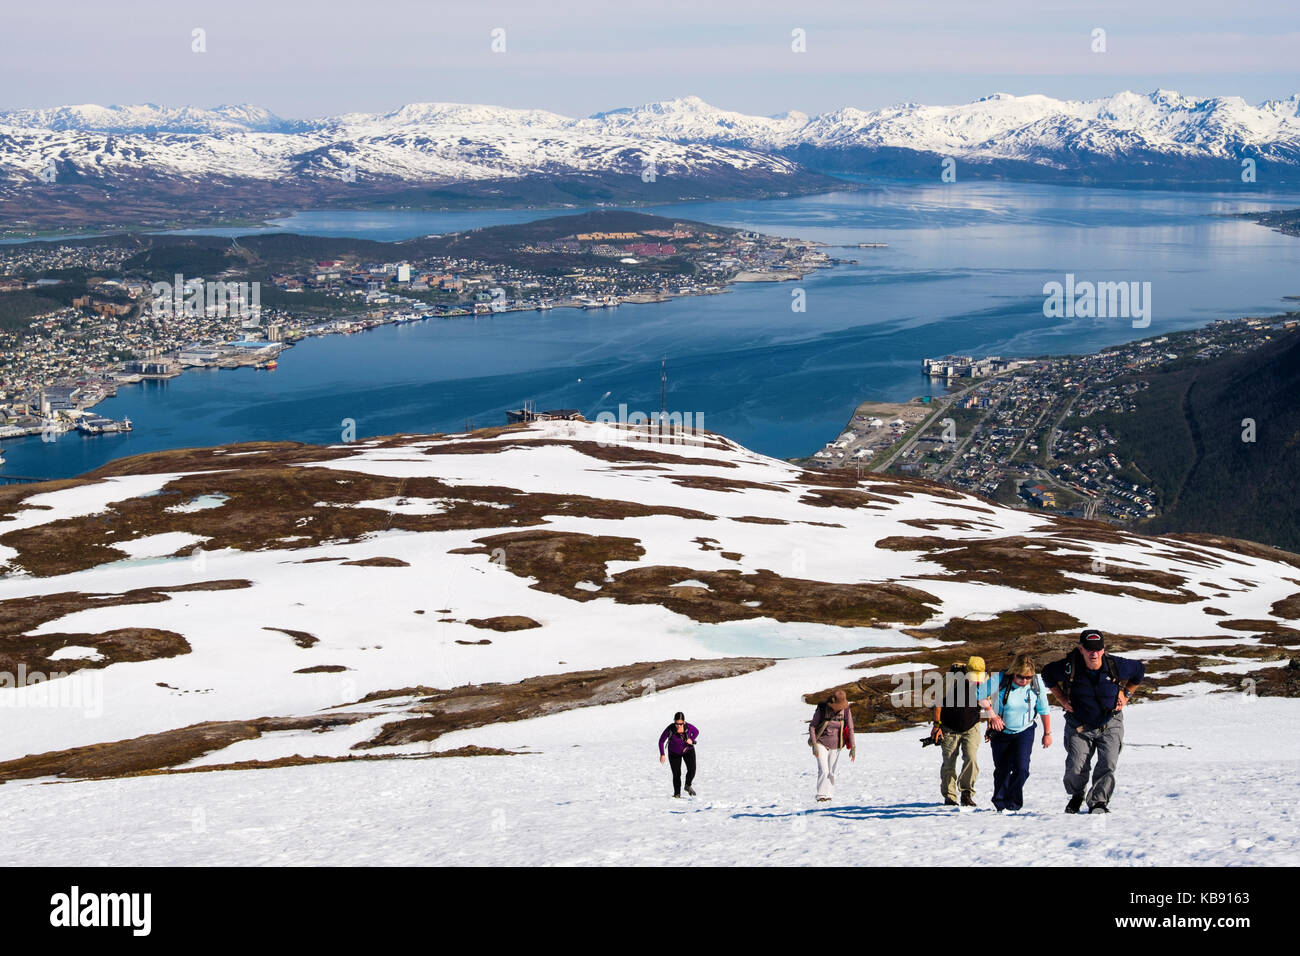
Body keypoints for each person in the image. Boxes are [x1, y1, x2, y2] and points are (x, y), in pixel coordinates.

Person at [1041, 629, 1145, 814]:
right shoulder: (1069, 666)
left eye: (1097, 649)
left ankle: (1098, 802)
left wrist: (1126, 693)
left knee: (1108, 763)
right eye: (1089, 649)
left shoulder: (1116, 665)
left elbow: (1139, 670)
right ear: (1081, 649)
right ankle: (1076, 795)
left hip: (1110, 722)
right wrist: (1062, 699)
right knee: (1075, 767)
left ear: (1103, 649)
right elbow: (1047, 674)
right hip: (1078, 725)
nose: (1093, 653)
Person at [975, 653, 1052, 813]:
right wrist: (992, 715)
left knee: (1021, 768)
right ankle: (1000, 802)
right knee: (1002, 769)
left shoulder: (1036, 683)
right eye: (1020, 677)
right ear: (1013, 672)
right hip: (1001, 731)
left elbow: (1044, 709)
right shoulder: (1001, 679)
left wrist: (1047, 733)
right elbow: (979, 694)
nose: (1024, 681)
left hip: (1025, 730)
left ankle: (1013, 804)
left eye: (1028, 677)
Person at [931, 655, 987, 807]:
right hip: (949, 727)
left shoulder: (984, 681)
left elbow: (988, 703)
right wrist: (937, 727)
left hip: (972, 725)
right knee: (949, 762)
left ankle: (967, 793)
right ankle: (950, 797)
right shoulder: (951, 680)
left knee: (971, 758)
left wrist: (990, 726)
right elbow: (937, 703)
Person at [808, 689, 855, 802]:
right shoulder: (823, 709)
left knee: (831, 771)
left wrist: (853, 747)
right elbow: (812, 726)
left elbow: (850, 728)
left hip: (837, 745)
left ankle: (829, 795)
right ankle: (821, 796)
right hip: (821, 743)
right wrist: (814, 744)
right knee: (824, 770)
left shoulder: (846, 711)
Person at [658, 711, 700, 798]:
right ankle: (677, 793)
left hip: (688, 749)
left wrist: (691, 739)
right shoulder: (670, 729)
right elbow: (661, 741)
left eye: (681, 723)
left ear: (684, 722)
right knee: (676, 773)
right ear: (674, 721)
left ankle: (688, 785)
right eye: (677, 723)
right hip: (674, 753)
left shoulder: (688, 727)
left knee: (692, 769)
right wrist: (662, 754)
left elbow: (696, 731)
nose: (679, 725)